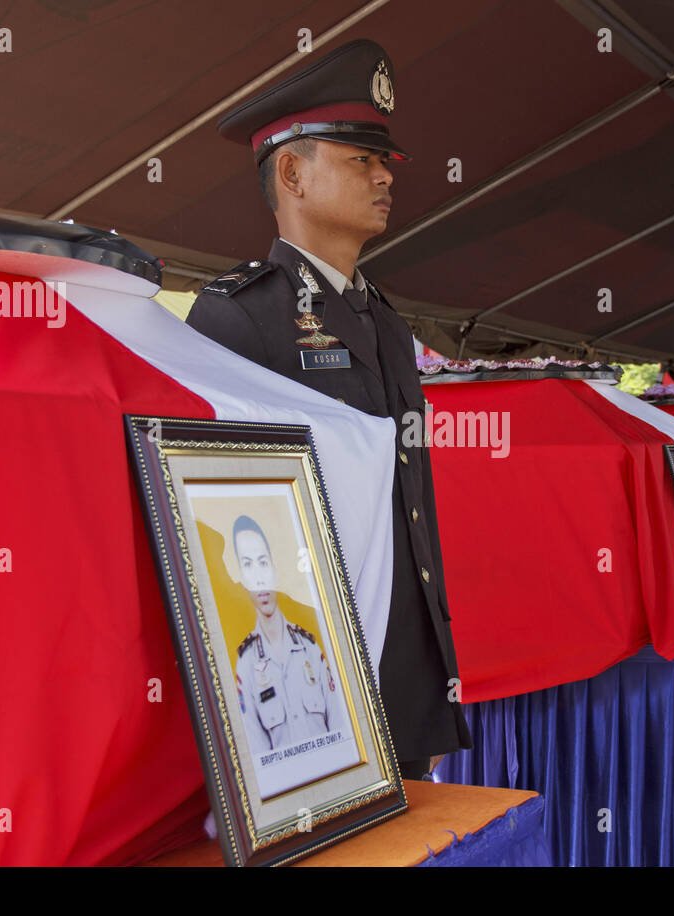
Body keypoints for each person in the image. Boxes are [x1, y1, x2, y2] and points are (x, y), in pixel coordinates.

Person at [186, 39, 470, 780]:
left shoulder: (390, 326)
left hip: (406, 671)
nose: (384, 176)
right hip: (309, 690)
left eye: (384, 163)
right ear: (291, 174)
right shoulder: (240, 319)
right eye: (358, 159)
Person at [231, 515, 341, 753]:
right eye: (248, 565)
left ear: (275, 570)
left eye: (263, 562)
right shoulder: (246, 665)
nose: (259, 577)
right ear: (240, 577)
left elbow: (342, 729)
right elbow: (258, 755)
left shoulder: (310, 647)